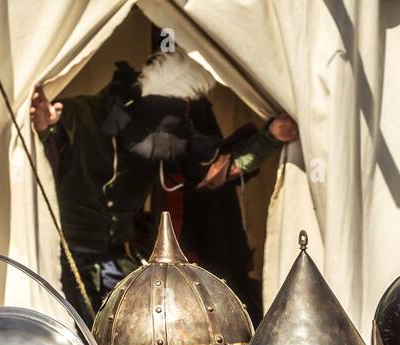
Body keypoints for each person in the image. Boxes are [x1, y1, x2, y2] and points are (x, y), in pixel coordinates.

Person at [31, 49, 299, 320]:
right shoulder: (80, 115)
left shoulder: (174, 130)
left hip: (118, 260)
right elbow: (47, 149)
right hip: (63, 259)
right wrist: (44, 130)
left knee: (143, 326)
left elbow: (218, 165)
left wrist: (269, 138)